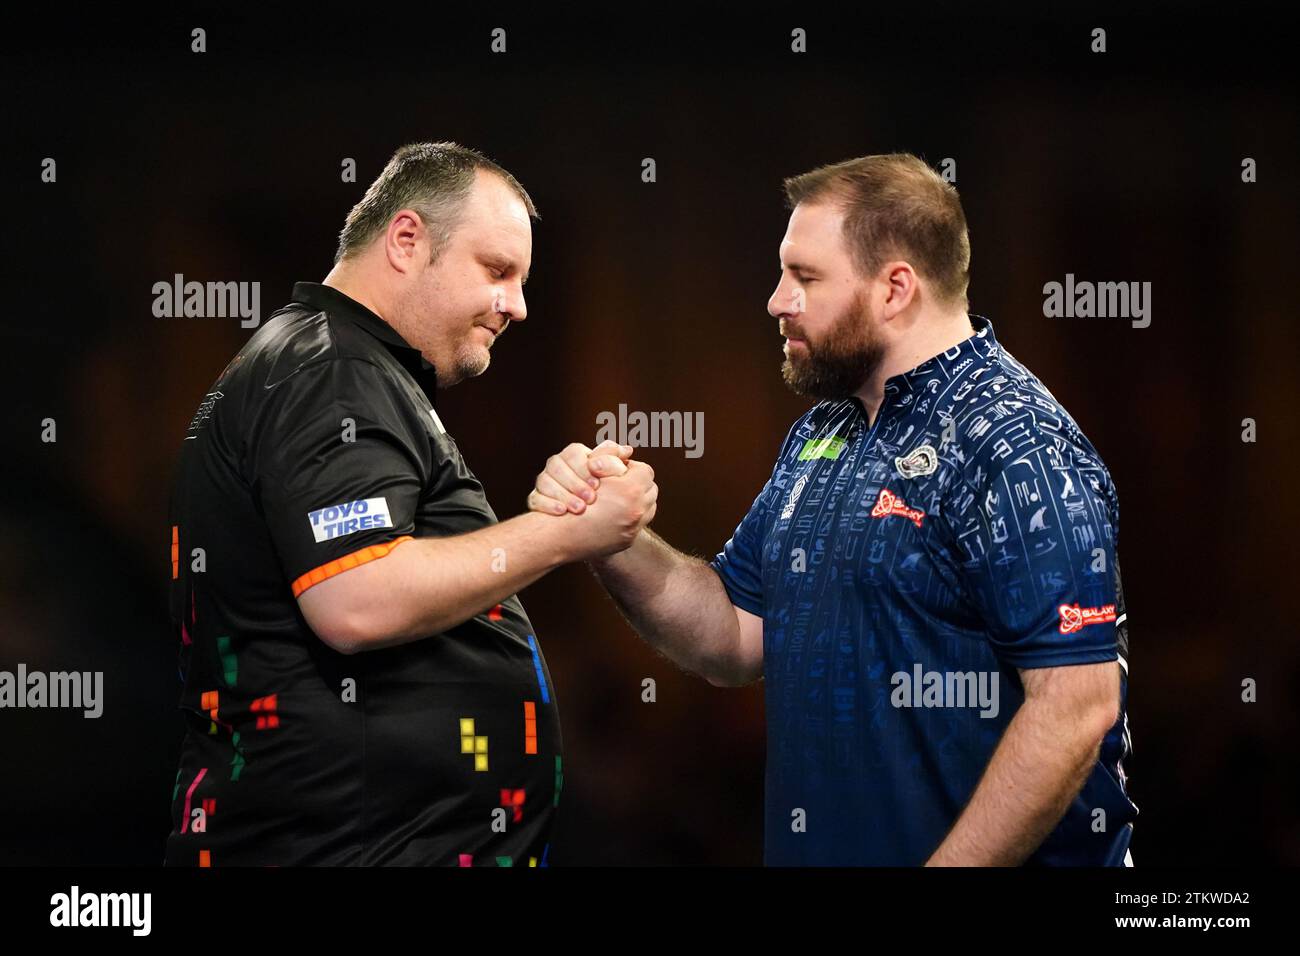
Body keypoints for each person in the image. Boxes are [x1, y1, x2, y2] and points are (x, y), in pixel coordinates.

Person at [527, 152, 1137, 866]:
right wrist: (612, 535)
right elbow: (733, 635)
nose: (777, 300)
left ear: (896, 288)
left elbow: (1075, 709)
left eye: (805, 278)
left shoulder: (1016, 443)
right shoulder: (824, 432)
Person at [164, 142, 654, 866]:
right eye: (498, 271)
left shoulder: (337, 366)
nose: (517, 306)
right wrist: (566, 534)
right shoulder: (333, 371)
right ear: (405, 240)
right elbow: (357, 597)